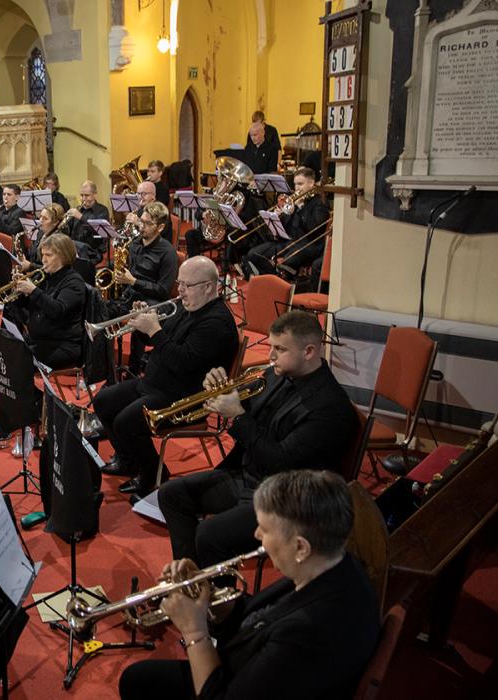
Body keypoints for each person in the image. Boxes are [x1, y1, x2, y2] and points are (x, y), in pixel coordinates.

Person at [118, 470, 380, 700]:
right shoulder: (331, 564)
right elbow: (261, 615)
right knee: (137, 678)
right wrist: (209, 594)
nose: (256, 535)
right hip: (255, 666)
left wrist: (194, 631)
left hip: (235, 682)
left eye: (265, 529)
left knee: (138, 683)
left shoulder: (308, 630)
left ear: (300, 546)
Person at [158, 310, 358, 566]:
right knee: (171, 495)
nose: (270, 355)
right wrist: (220, 388)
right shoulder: (277, 374)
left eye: (280, 349)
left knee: (208, 535)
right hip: (248, 476)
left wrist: (238, 416)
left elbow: (281, 462)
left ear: (308, 352)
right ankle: (190, 581)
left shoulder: (329, 407)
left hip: (284, 498)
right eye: (271, 346)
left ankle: (219, 600)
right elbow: (248, 407)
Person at [95, 257, 239, 499]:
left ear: (208, 286)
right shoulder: (188, 306)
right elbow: (159, 344)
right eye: (179, 283)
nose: (180, 290)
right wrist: (142, 327)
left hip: (185, 395)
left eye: (187, 285)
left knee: (126, 422)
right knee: (103, 401)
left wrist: (155, 329)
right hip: (157, 383)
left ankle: (153, 473)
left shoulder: (217, 323)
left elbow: (182, 362)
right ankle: (128, 460)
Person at [4, 232, 86, 370]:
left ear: (63, 256)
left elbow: (57, 311)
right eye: (43, 255)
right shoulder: (45, 276)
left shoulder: (74, 282)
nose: (43, 260)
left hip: (62, 345)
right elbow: (25, 307)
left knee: (15, 365)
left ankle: (34, 392)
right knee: (0, 357)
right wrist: (19, 293)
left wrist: (34, 291)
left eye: (49, 255)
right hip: (38, 340)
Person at [245, 167, 329, 281]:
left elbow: (313, 229)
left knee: (287, 262)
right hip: (288, 242)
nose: (297, 188)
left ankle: (281, 281)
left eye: (300, 184)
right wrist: (278, 216)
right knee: (253, 253)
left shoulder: (320, 203)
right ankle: (273, 280)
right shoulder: (293, 201)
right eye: (295, 185)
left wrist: (301, 208)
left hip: (307, 245)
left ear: (311, 183)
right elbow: (283, 229)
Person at [108, 201, 179, 321]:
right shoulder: (134, 244)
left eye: (147, 223)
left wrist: (134, 281)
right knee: (96, 306)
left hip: (149, 303)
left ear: (160, 227)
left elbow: (163, 291)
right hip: (128, 297)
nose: (141, 226)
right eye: (141, 221)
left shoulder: (168, 252)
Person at [64, 180, 111, 254]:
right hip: (75, 249)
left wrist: (80, 217)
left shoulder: (102, 210)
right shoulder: (77, 210)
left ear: (95, 195)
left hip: (93, 251)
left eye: (86, 195)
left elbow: (99, 232)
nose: (83, 199)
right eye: (81, 195)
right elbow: (68, 232)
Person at [125, 180, 174, 245]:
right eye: (138, 194)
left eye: (144, 194)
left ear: (153, 195)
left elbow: (154, 233)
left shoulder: (160, 210)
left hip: (158, 247)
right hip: (143, 244)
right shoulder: (140, 209)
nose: (140, 197)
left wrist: (138, 222)